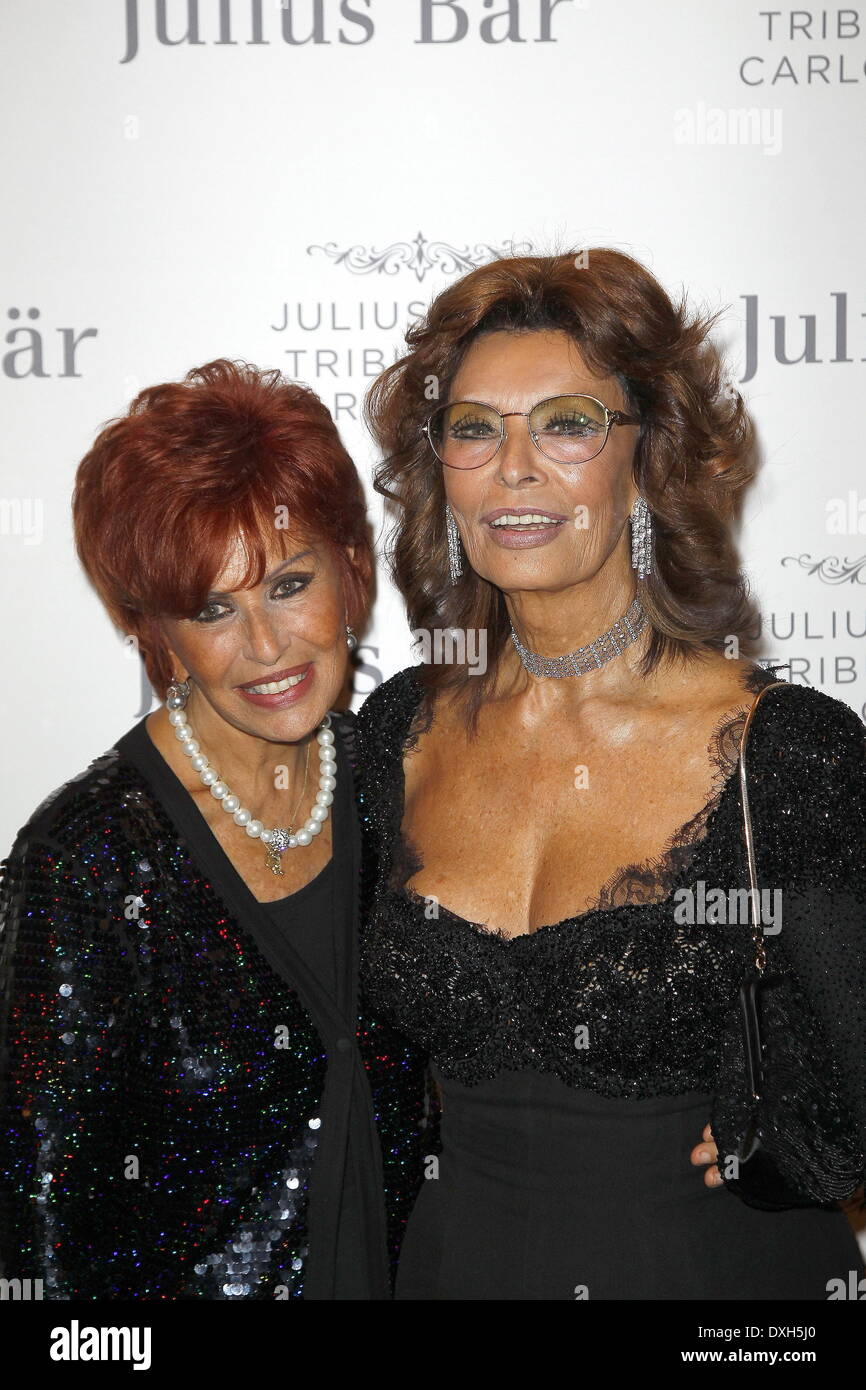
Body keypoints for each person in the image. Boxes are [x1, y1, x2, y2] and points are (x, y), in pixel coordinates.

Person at [356, 250, 866, 1300]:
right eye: (473, 427)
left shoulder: (785, 750)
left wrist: (819, 1131)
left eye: (566, 423)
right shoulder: (396, 728)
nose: (513, 468)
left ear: (647, 456)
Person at [0, 359, 427, 1299]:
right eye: (212, 609)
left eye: (289, 584)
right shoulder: (89, 859)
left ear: (351, 572)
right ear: (157, 633)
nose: (265, 647)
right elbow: (41, 1231)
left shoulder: (399, 778)